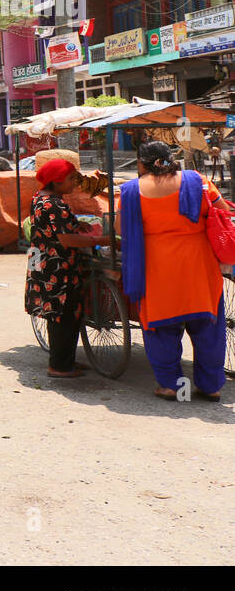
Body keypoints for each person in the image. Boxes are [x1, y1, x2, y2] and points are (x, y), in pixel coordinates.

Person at [119, 141, 229, 401]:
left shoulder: (131, 191)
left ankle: (174, 387)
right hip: (199, 265)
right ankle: (211, 386)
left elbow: (121, 229)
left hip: (158, 268)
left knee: (162, 328)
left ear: (141, 163)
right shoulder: (198, 181)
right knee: (208, 326)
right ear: (170, 158)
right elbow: (222, 210)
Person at [24, 158, 111, 378]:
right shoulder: (54, 204)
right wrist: (102, 240)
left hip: (45, 263)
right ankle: (59, 366)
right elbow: (66, 240)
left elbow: (55, 227)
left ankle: (66, 360)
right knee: (63, 316)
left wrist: (75, 224)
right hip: (57, 269)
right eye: (71, 179)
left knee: (65, 315)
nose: (75, 183)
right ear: (57, 181)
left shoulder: (41, 198)